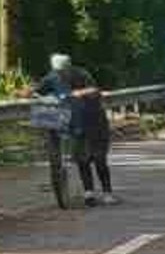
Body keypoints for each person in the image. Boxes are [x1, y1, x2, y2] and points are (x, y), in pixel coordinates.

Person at [29, 53, 117, 204]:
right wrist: (28, 92)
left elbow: (95, 90)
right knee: (82, 159)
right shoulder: (52, 77)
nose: (62, 74)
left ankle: (107, 193)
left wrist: (79, 93)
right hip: (74, 122)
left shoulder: (82, 74)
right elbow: (37, 90)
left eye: (64, 70)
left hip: (95, 121)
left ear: (70, 67)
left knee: (99, 159)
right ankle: (88, 193)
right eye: (59, 71)